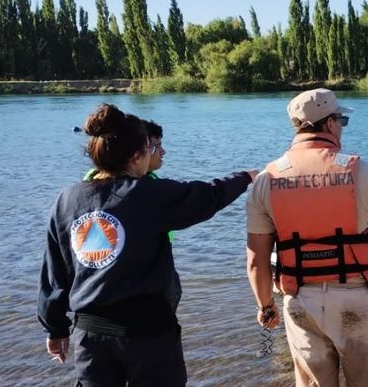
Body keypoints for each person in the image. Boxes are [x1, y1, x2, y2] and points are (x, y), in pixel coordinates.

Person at [38, 103, 256, 386]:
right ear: (137, 155)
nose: (154, 154)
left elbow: (55, 271)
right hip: (148, 333)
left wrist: (55, 327)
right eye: (150, 150)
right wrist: (246, 178)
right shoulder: (147, 194)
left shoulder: (67, 198)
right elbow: (206, 196)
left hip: (90, 335)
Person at [245, 88, 368, 386]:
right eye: (341, 120)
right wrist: (359, 244)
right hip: (357, 297)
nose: (341, 128)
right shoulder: (362, 171)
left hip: (301, 298)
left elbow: (257, 261)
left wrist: (265, 306)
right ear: (329, 124)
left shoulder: (266, 180)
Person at [82, 118, 182, 312]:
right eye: (155, 146)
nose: (162, 152)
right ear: (136, 152)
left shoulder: (149, 182)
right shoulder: (138, 190)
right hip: (131, 288)